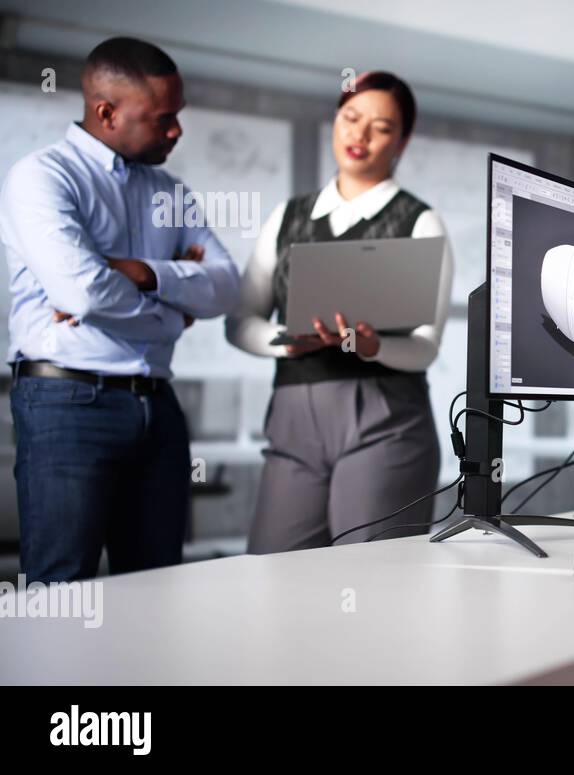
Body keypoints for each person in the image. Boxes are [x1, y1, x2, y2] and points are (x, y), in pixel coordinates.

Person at [0, 37, 240, 582]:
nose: (176, 130)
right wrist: (174, 311)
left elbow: (225, 287)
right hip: (67, 404)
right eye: (163, 118)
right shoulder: (42, 178)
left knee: (158, 588)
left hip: (158, 409)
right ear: (106, 112)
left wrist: (144, 271)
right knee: (61, 587)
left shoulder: (172, 192)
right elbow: (84, 290)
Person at [226, 71, 454, 552]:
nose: (360, 134)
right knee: (271, 572)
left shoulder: (420, 221)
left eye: (382, 127)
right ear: (336, 120)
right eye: (351, 118)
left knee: (371, 580)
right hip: (293, 414)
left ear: (402, 141)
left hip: (385, 418)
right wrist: (287, 340)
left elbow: (425, 347)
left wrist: (371, 346)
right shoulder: (287, 217)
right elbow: (239, 320)